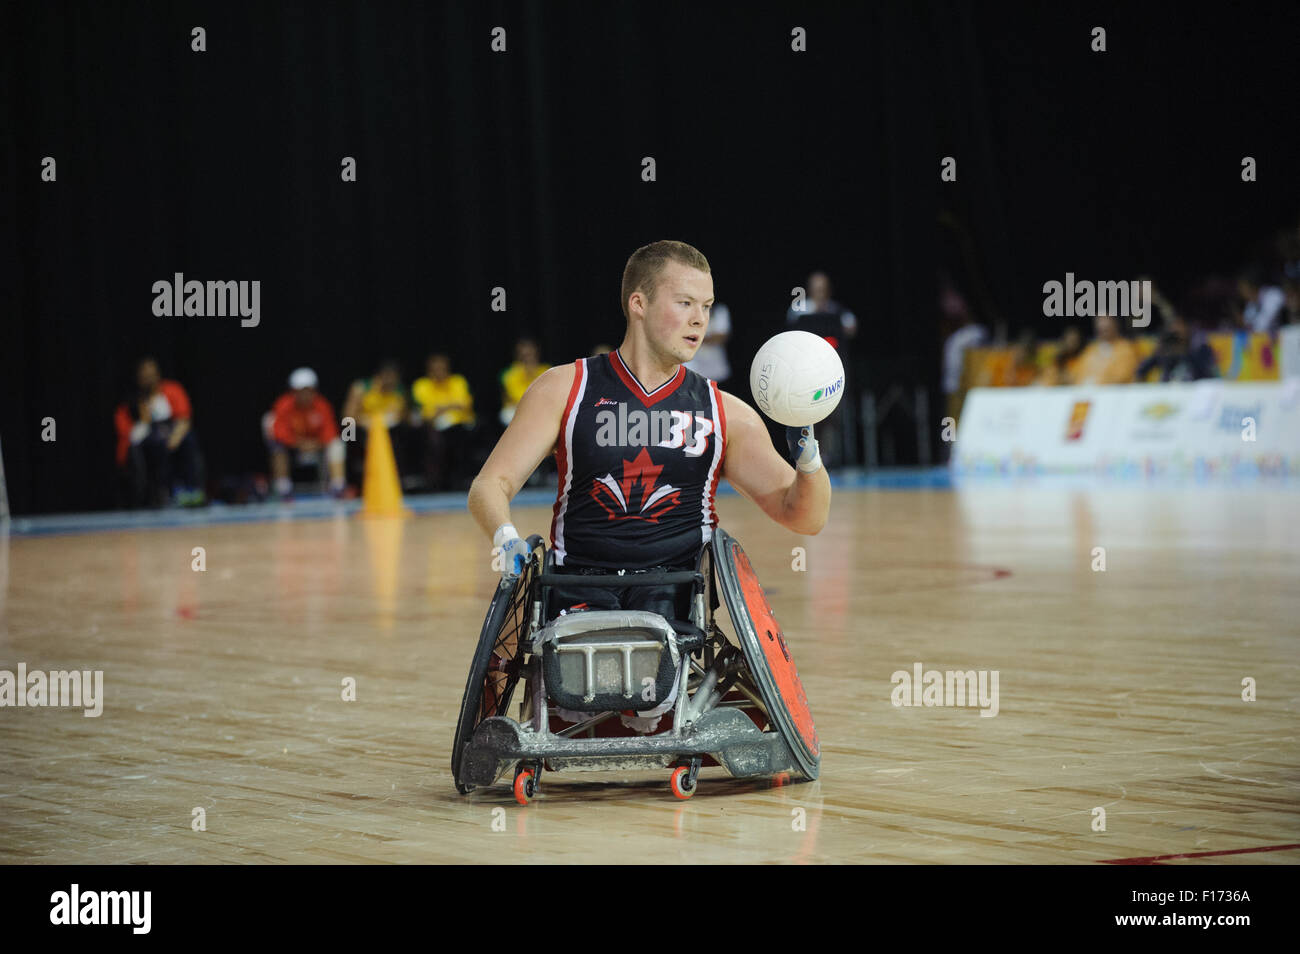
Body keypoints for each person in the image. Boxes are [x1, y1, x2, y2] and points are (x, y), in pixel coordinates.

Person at [468, 240, 830, 732]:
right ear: (638, 304)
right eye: (684, 304)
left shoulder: (725, 413)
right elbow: (491, 483)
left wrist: (808, 454)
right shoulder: (565, 389)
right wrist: (504, 537)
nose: (700, 320)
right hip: (576, 583)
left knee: (657, 664)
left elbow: (804, 516)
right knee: (583, 681)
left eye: (706, 307)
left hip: (674, 592)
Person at [114, 357, 204, 507]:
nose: (149, 379)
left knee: (189, 440)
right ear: (139, 379)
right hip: (150, 439)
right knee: (156, 446)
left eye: (151, 374)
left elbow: (184, 418)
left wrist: (175, 438)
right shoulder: (135, 401)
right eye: (144, 376)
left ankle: (192, 489)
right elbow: (132, 431)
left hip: (174, 433)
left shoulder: (172, 390)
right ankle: (164, 494)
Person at [268, 367, 347, 498]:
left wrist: (317, 444)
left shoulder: (322, 405)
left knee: (337, 445)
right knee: (277, 447)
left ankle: (338, 486)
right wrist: (298, 444)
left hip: (317, 446)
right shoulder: (284, 405)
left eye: (308, 391)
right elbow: (279, 432)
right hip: (293, 447)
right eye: (300, 392)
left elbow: (330, 431)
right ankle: (283, 489)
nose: (304, 395)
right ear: (294, 392)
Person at [411, 353, 476, 491]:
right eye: (435, 369)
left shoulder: (458, 381)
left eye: (442, 368)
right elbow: (425, 413)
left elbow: (465, 406)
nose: (439, 372)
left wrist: (442, 408)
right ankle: (436, 483)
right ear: (429, 370)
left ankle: (460, 480)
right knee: (434, 441)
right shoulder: (421, 385)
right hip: (433, 427)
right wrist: (451, 406)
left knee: (461, 436)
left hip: (458, 426)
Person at [341, 360, 410, 488]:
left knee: (403, 432)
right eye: (387, 377)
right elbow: (347, 416)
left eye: (393, 379)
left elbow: (404, 416)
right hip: (362, 428)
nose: (390, 383)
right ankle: (353, 481)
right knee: (348, 430)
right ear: (379, 376)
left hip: (388, 431)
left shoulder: (399, 391)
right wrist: (366, 421)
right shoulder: (361, 388)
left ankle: (397, 479)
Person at [1135, 316, 1218, 382]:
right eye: (1173, 325)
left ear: (1188, 327)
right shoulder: (1165, 349)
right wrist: (1161, 351)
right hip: (1168, 392)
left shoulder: (1201, 348)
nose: (1176, 329)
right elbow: (1141, 370)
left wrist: (1185, 353)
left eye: (1179, 325)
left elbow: (1209, 375)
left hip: (1193, 390)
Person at [1071, 313, 1140, 385]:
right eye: (1099, 322)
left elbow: (1122, 378)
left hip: (1115, 394)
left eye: (1106, 322)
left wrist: (1097, 382)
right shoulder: (1090, 350)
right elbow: (1077, 376)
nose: (1102, 326)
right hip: (1086, 393)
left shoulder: (1126, 349)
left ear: (1115, 325)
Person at [499, 338, 550, 427]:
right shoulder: (510, 374)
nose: (528, 360)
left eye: (530, 355)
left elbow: (550, 394)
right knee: (508, 415)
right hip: (517, 409)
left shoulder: (547, 370)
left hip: (541, 408)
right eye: (524, 357)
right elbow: (517, 397)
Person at [684, 301, 732, 385]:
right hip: (693, 367)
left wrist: (697, 338)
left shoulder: (719, 310)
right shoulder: (689, 310)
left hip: (715, 367)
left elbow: (721, 337)